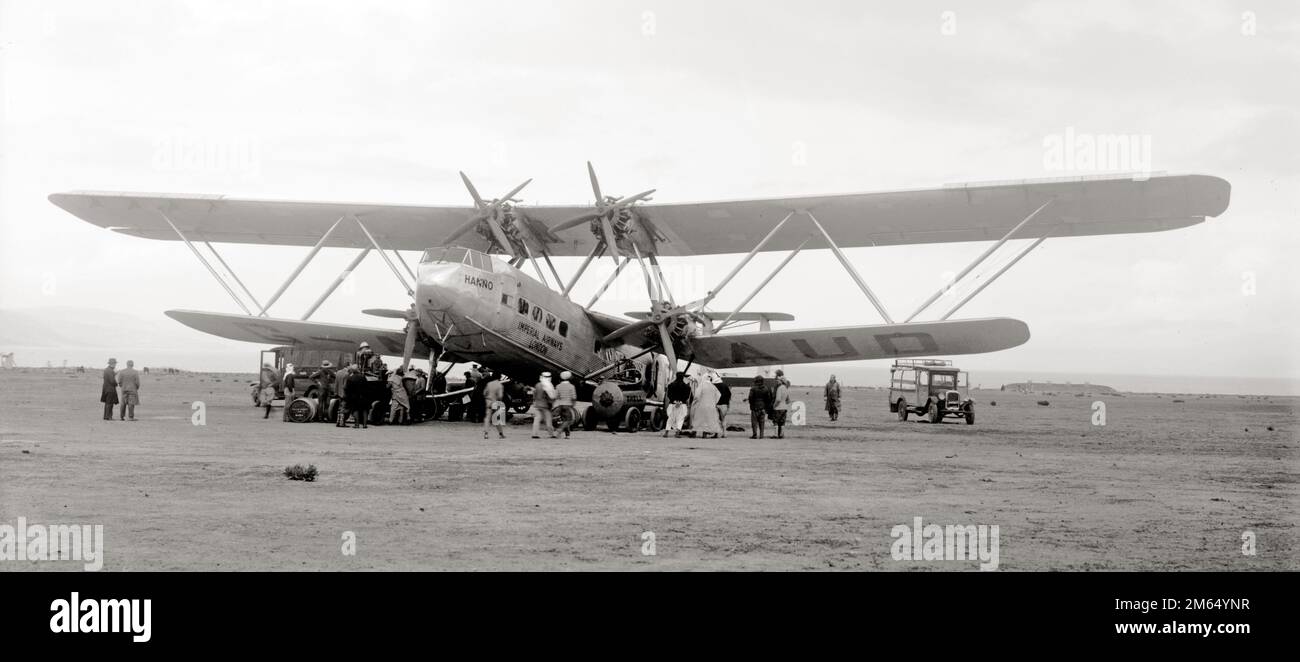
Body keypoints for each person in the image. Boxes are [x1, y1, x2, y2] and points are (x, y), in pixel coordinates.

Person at [688, 374, 723, 438]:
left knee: (698, 419)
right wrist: (714, 402)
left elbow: (697, 395)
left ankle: (694, 433)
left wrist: (695, 402)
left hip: (701, 405)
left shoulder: (701, 385)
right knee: (708, 420)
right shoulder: (713, 386)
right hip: (711, 406)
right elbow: (719, 395)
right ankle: (704, 434)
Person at [340, 363, 369, 428]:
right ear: (358, 370)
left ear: (352, 371)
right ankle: (364, 425)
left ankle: (357, 424)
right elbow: (367, 387)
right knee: (364, 410)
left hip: (354, 397)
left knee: (355, 410)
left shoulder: (350, 378)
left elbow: (347, 389)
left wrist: (347, 397)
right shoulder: (363, 377)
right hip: (363, 396)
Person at [663, 372, 691, 437]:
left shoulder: (670, 385)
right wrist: (680, 401)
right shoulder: (687, 387)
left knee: (670, 418)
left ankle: (666, 433)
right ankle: (677, 433)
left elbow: (669, 395)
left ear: (676, 376)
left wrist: (675, 401)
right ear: (683, 377)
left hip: (672, 404)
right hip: (682, 405)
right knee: (680, 419)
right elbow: (686, 396)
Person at [530, 372, 557, 439]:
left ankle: (534, 434)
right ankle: (551, 434)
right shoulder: (548, 386)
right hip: (545, 406)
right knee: (548, 420)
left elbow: (534, 394)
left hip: (537, 404)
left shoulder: (538, 384)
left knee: (537, 419)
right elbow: (551, 397)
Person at [554, 371, 577, 438]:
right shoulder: (571, 386)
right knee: (568, 420)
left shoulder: (558, 386)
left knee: (564, 419)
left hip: (560, 405)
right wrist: (573, 404)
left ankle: (567, 435)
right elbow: (574, 397)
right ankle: (559, 430)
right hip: (568, 405)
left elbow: (556, 396)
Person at [482, 371, 506, 439]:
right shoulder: (500, 385)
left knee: (487, 418)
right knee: (497, 419)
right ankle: (501, 434)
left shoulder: (489, 384)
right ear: (499, 377)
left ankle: (486, 434)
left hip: (488, 401)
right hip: (496, 402)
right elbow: (500, 396)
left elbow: (484, 393)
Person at [771, 371, 791, 439]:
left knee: (775, 421)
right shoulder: (786, 388)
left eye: (778, 380)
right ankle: (781, 435)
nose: (777, 381)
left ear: (781, 381)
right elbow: (788, 400)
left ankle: (775, 435)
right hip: (784, 408)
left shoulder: (779, 388)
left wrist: (774, 405)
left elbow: (778, 399)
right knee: (782, 422)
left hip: (778, 408)